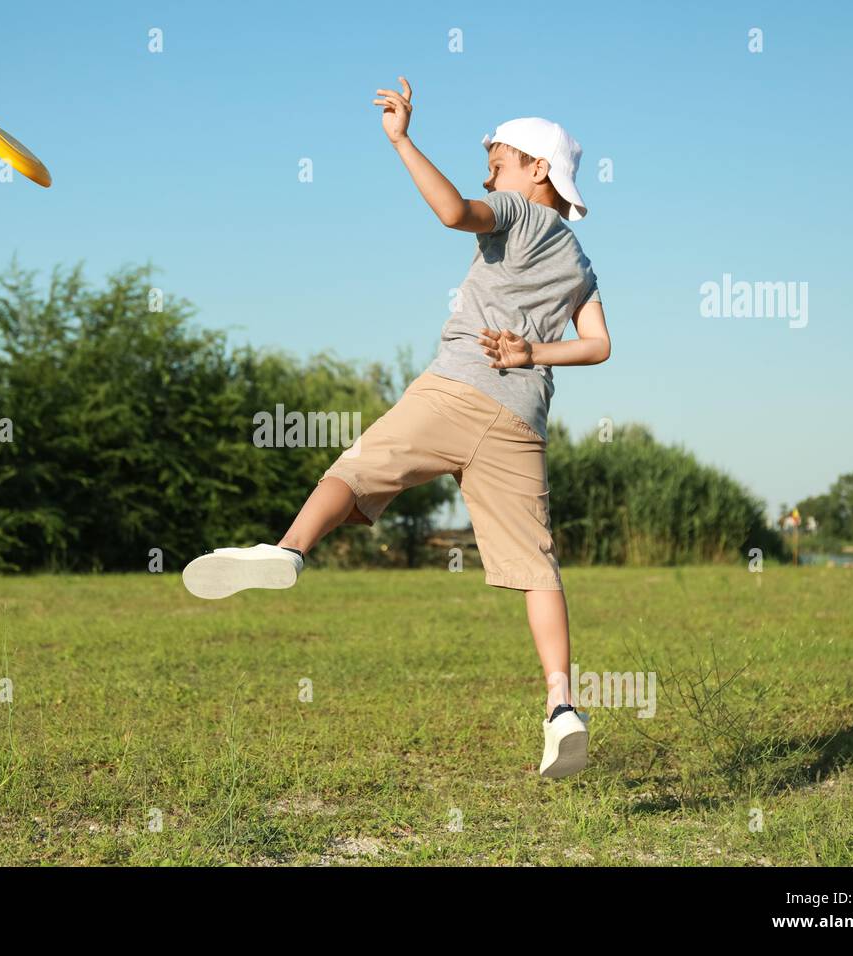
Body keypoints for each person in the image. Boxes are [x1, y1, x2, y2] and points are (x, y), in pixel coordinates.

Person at [182, 77, 610, 779]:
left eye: (497, 161)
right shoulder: (578, 258)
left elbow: (452, 212)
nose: (487, 173)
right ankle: (562, 707)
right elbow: (597, 346)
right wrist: (533, 350)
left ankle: (290, 550)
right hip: (519, 421)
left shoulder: (517, 212)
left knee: (351, 470)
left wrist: (401, 139)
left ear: (537, 169)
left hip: (452, 393)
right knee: (537, 566)